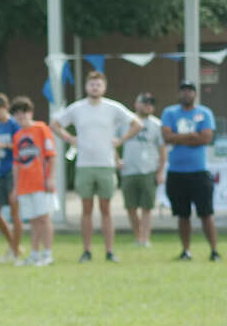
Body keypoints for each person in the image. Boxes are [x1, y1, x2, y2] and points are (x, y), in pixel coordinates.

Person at [51, 71, 142, 263]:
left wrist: (121, 140)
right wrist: (69, 138)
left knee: (106, 209)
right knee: (86, 209)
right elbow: (56, 124)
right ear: (86, 87)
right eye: (92, 84)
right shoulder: (77, 108)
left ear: (104, 87)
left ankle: (109, 251)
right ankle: (87, 250)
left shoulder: (112, 107)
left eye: (98, 84)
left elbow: (136, 124)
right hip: (84, 164)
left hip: (106, 165)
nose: (95, 87)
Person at [161, 81, 220, 261]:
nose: (187, 94)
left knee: (206, 213)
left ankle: (214, 250)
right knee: (182, 214)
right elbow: (167, 137)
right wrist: (193, 136)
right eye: (184, 91)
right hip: (177, 172)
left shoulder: (204, 113)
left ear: (195, 94)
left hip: (198, 171)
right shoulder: (170, 112)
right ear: (179, 93)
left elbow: (206, 138)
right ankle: (186, 250)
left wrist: (179, 137)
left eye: (190, 91)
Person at [10, 96, 58, 266]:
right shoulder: (17, 136)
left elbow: (51, 156)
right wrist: (16, 187)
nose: (21, 118)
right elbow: (16, 163)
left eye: (24, 114)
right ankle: (35, 253)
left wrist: (51, 178)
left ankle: (47, 254)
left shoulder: (41, 129)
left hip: (40, 182)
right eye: (17, 115)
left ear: (30, 113)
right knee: (33, 220)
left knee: (44, 218)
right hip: (25, 184)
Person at [117, 93, 166, 248]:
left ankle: (145, 239)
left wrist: (160, 171)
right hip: (129, 170)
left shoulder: (157, 125)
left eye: (151, 103)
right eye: (144, 103)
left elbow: (162, 150)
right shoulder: (125, 123)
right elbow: (113, 142)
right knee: (131, 206)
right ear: (136, 104)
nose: (148, 105)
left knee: (146, 207)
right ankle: (138, 237)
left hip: (149, 170)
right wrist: (117, 160)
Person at [0, 93, 23, 260]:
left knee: (15, 212)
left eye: (0, 107)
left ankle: (15, 251)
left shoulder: (14, 124)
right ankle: (13, 245)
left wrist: (2, 145)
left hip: (13, 171)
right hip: (0, 171)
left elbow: (20, 145)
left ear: (7, 107)